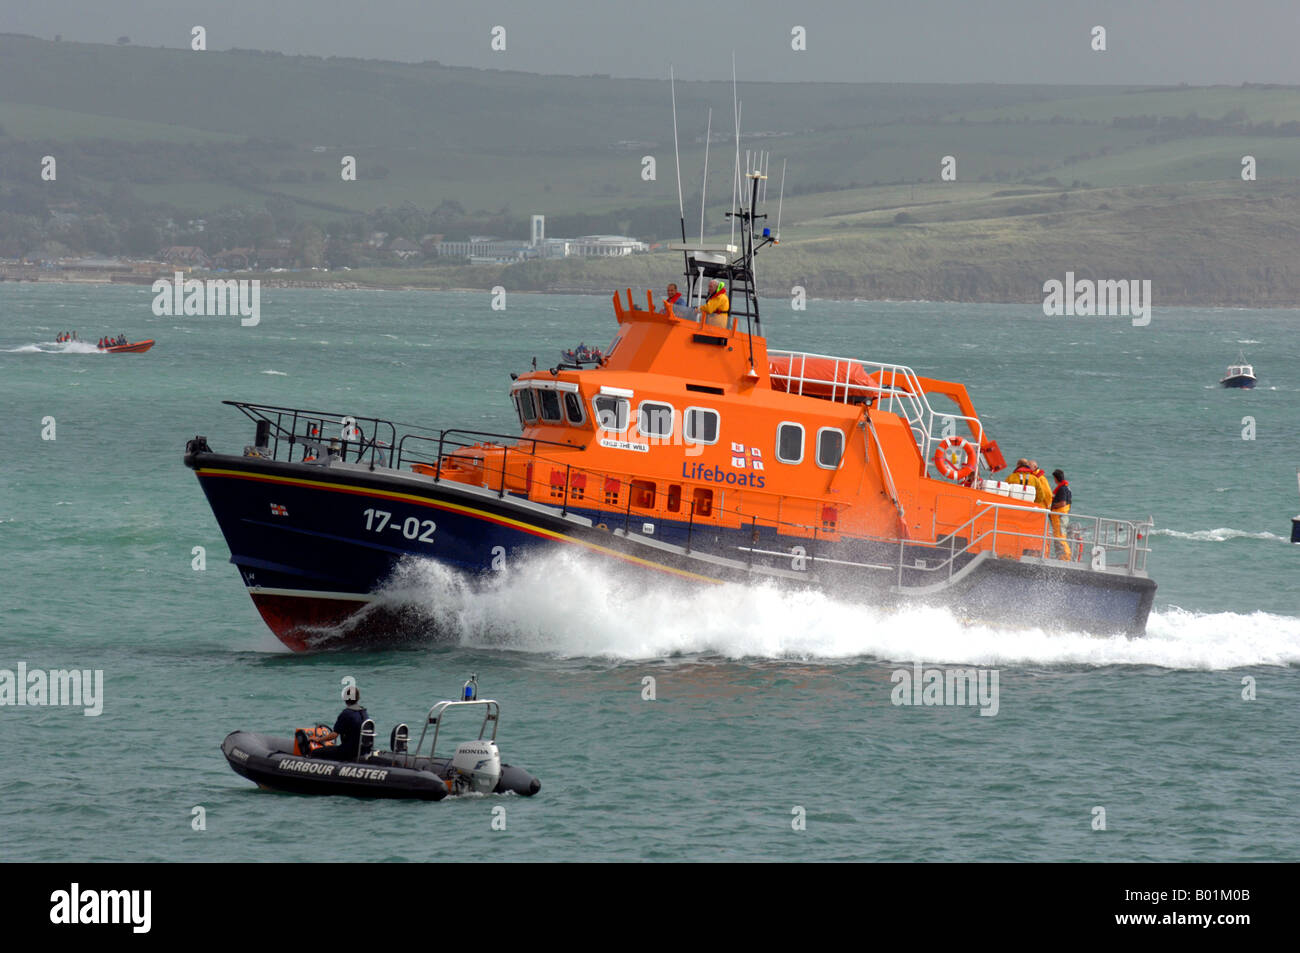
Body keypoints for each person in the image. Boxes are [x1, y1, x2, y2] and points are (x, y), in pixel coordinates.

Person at [310, 684, 371, 761]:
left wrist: (319, 739)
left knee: (316, 752)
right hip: (362, 751)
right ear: (358, 698)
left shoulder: (346, 713)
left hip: (348, 752)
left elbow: (334, 735)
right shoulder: (364, 712)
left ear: (345, 698)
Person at [1050, 469, 1072, 560]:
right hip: (1061, 517)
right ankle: (1062, 557)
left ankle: (1065, 557)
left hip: (1059, 517)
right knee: (1059, 537)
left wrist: (1053, 505)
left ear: (1055, 478)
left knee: (1060, 537)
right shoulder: (1066, 487)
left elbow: (1063, 503)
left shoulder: (1062, 489)